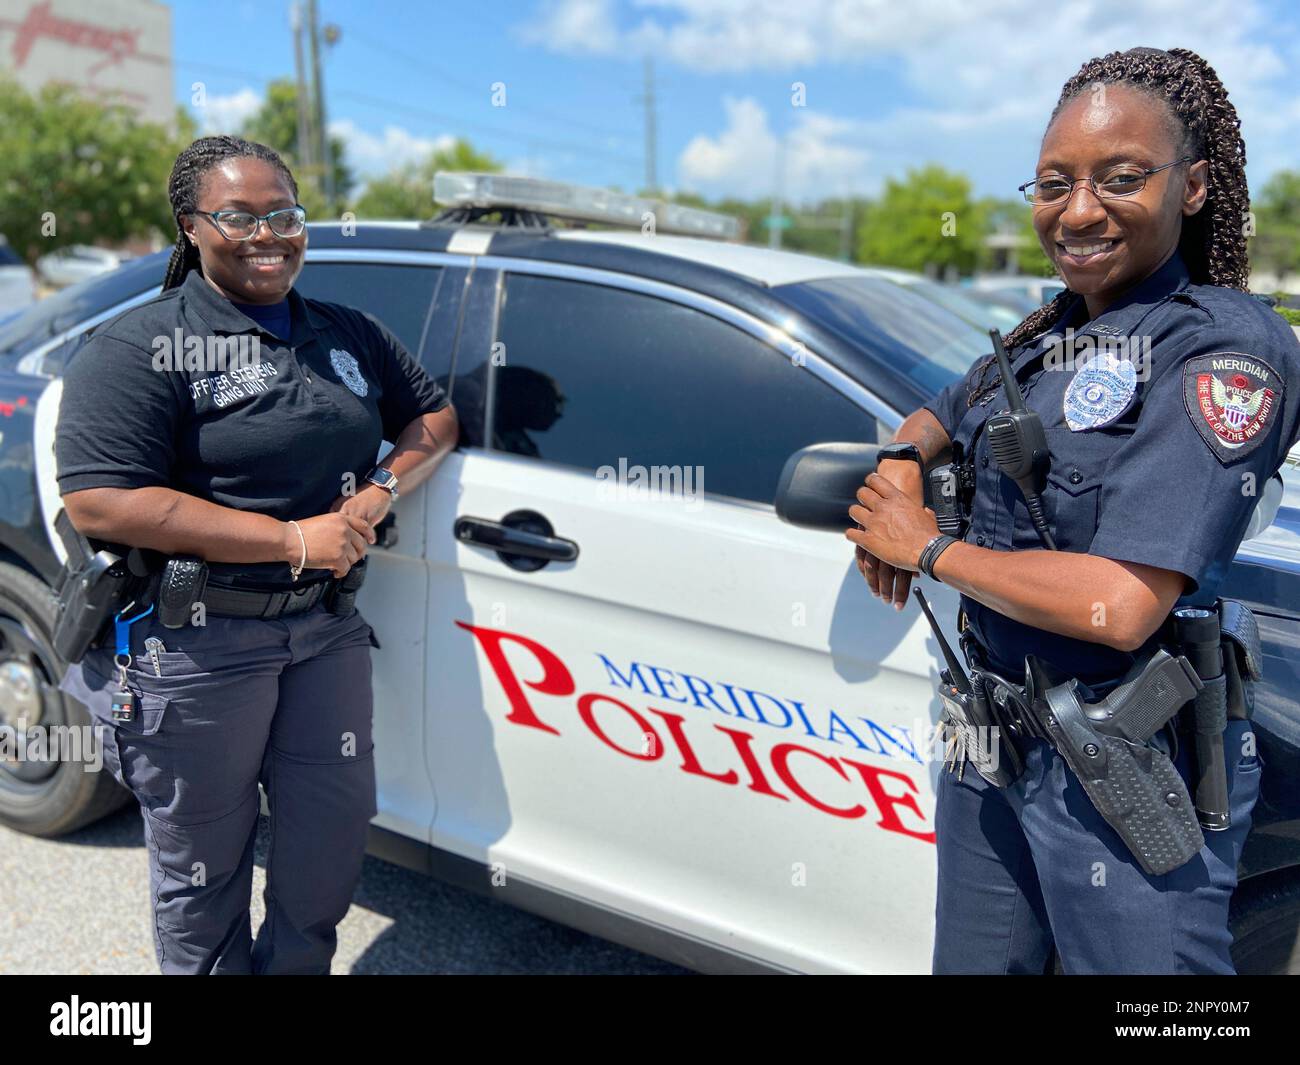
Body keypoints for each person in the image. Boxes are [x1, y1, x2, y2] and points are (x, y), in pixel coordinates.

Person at [845, 47, 1300, 974]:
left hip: (1126, 761)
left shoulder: (1223, 348)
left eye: (1120, 177)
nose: (1079, 209)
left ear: (1197, 184)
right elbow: (944, 407)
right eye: (1055, 183)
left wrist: (926, 548)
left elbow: (1122, 602)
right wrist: (900, 462)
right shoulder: (1050, 328)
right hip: (993, 741)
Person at [53, 135, 459, 974]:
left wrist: (376, 492)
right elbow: (99, 497)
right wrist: (288, 539)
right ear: (191, 225)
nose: (268, 233)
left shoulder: (344, 331)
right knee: (204, 872)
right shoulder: (141, 347)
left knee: (329, 842)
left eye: (284, 213)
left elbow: (434, 419)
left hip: (323, 632)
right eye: (239, 216)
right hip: (197, 646)